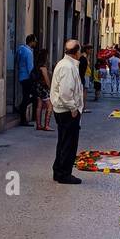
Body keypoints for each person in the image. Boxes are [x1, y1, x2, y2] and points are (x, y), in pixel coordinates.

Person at [50, 39, 84, 184]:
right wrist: (73, 108)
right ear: (76, 52)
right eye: (80, 50)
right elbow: (65, 92)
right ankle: (64, 173)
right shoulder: (68, 67)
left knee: (63, 141)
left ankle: (59, 170)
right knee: (69, 143)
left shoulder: (65, 64)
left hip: (63, 110)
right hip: (67, 111)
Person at [16, 34, 37, 125]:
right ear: (31, 41)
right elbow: (30, 68)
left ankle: (22, 112)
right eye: (35, 41)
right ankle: (22, 115)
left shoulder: (20, 49)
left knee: (26, 96)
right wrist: (33, 79)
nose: (35, 43)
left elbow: (17, 61)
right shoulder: (29, 52)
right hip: (27, 78)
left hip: (21, 76)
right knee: (32, 96)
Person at [34, 49, 52, 131]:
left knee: (39, 106)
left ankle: (38, 124)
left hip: (38, 87)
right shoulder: (43, 67)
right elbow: (47, 80)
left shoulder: (37, 66)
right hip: (44, 88)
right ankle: (46, 125)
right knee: (50, 106)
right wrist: (50, 88)